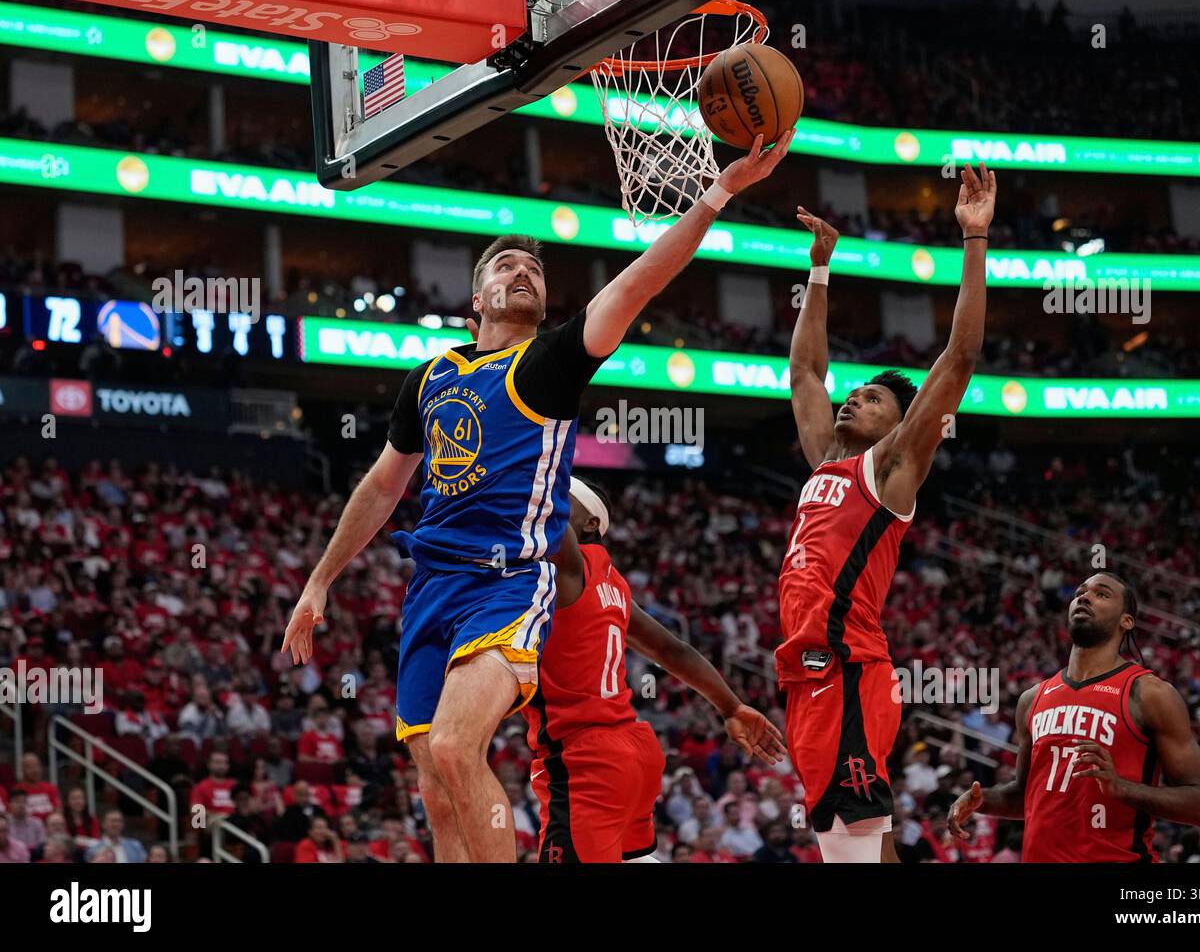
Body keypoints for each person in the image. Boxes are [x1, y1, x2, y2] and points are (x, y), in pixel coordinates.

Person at [282, 133, 793, 862]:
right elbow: (382, 485)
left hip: (506, 582)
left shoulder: (550, 362)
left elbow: (641, 280)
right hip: (432, 588)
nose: (524, 271)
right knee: (433, 781)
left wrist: (719, 193)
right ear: (475, 298)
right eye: (506, 265)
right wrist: (319, 581)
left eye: (534, 268)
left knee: (459, 749)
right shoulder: (430, 379)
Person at [777, 165, 997, 862]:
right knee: (864, 848)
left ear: (899, 427)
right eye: (858, 392)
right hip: (812, 676)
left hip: (847, 669)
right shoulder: (825, 462)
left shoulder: (892, 469)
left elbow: (960, 358)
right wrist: (819, 271)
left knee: (854, 854)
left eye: (874, 399)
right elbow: (806, 374)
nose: (854, 399)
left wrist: (976, 238)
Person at [527, 477, 785, 862]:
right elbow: (674, 649)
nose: (556, 500)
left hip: (585, 760)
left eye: (567, 497)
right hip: (634, 752)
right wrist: (731, 707)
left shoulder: (569, 571)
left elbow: (540, 499)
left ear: (590, 524)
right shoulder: (613, 585)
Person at [947, 571, 1200, 861]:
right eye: (1080, 593)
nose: (1084, 597)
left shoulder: (1149, 694)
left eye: (1102, 594)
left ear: (1126, 620)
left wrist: (1120, 788)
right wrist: (981, 800)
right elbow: (1025, 796)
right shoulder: (1033, 698)